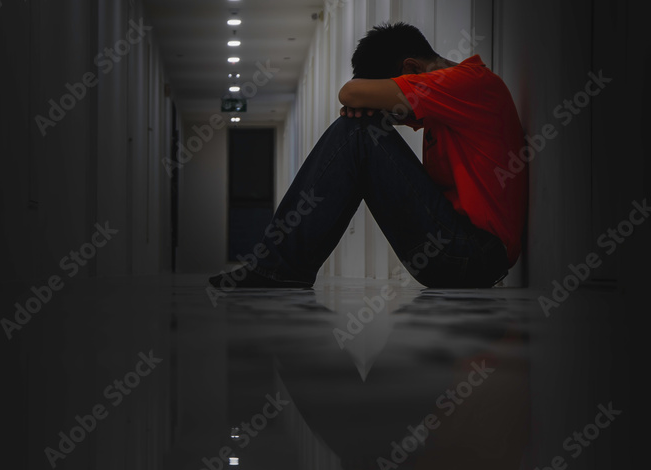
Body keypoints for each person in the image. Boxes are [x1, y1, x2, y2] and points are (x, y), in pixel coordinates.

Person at [209, 22, 527, 289]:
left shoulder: (467, 84)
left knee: (359, 132)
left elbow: (350, 92)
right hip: (460, 253)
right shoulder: (450, 99)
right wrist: (371, 109)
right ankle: (279, 265)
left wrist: (366, 105)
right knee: (361, 128)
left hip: (473, 255)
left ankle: (278, 267)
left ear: (412, 69)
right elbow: (371, 105)